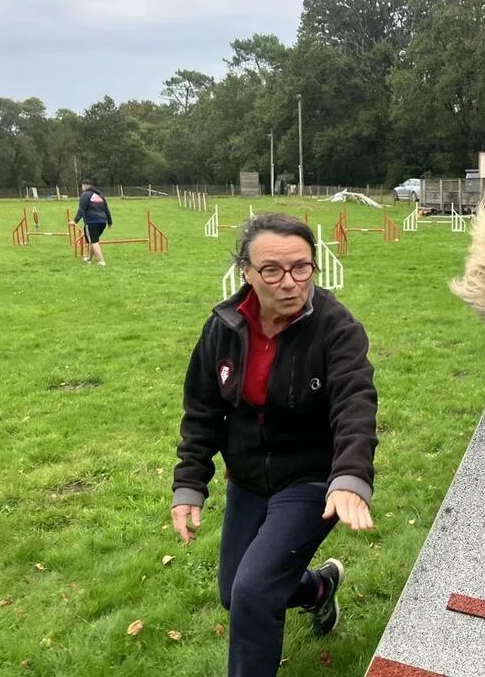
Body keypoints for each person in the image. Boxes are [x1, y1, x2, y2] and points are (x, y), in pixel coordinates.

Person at [170, 212, 378, 677]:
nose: (289, 282)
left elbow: (355, 405)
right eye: (272, 270)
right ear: (246, 271)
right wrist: (189, 484)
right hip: (248, 477)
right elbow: (202, 410)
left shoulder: (337, 328)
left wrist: (348, 477)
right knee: (234, 592)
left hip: (311, 480)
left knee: (255, 591)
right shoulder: (223, 327)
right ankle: (318, 590)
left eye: (301, 267)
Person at [68, 179, 112, 266]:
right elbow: (106, 209)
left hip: (92, 221)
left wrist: (75, 221)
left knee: (94, 241)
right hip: (102, 222)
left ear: (84, 185)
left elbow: (81, 209)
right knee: (93, 239)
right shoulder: (100, 196)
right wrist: (110, 222)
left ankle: (101, 261)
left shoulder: (85, 195)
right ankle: (89, 259)